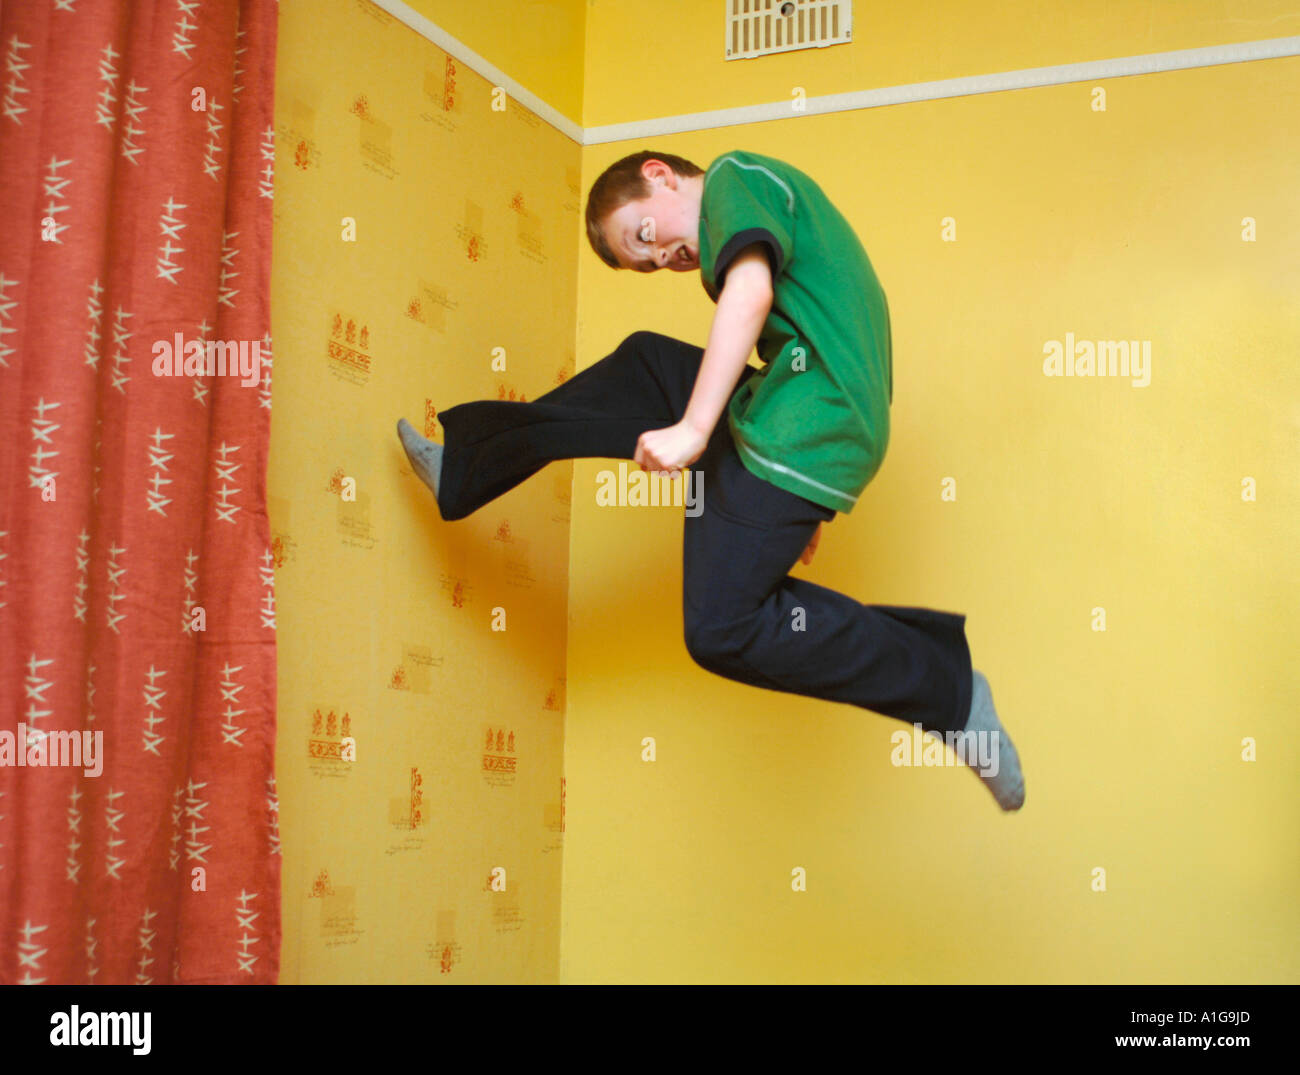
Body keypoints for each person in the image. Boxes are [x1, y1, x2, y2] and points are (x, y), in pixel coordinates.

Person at [397, 148, 1025, 811]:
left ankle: (950, 693)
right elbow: (839, 328)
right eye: (649, 263)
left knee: (719, 628)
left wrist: (697, 430)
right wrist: (806, 502)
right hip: (805, 415)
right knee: (647, 366)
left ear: (661, 174)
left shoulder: (733, 180)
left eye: (646, 233)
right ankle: (467, 467)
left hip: (808, 423)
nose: (664, 255)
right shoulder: (765, 205)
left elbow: (751, 295)